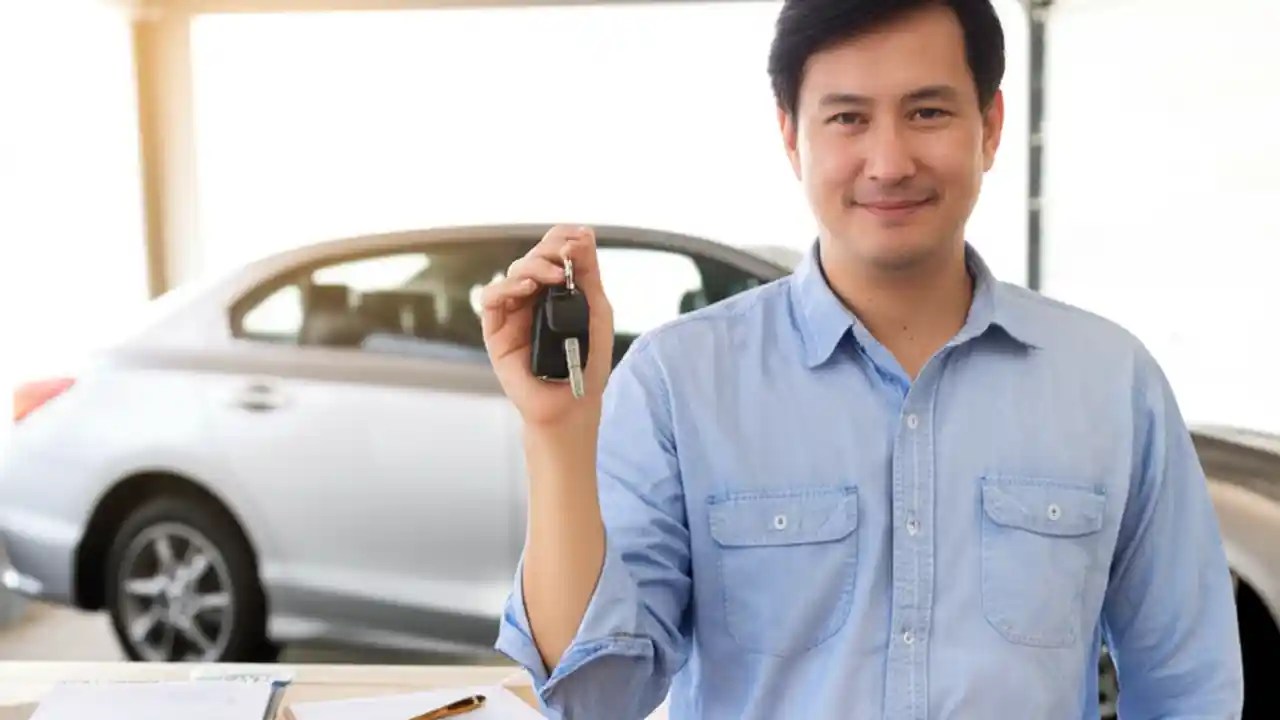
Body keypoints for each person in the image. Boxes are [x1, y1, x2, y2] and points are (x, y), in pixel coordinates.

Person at [479, 0, 1245, 717]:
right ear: (791, 135)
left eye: (928, 112)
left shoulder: (1111, 382)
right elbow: (592, 697)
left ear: (990, 124)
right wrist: (558, 435)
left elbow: (1189, 687)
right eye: (848, 118)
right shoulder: (680, 382)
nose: (889, 161)